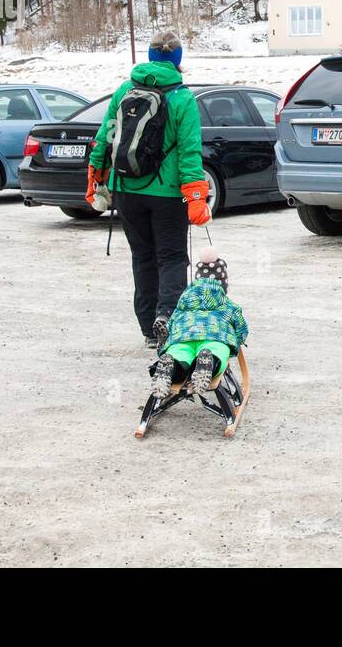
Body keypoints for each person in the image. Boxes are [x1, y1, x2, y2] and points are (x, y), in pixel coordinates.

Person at [87, 31, 210, 347]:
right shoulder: (183, 99)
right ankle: (167, 316)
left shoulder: (124, 90)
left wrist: (96, 178)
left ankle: (147, 327)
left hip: (126, 190)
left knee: (142, 257)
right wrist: (196, 196)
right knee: (172, 257)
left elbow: (105, 137)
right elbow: (189, 152)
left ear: (150, 56)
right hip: (167, 194)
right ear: (177, 60)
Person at [150, 248, 248, 398]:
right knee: (218, 351)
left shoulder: (182, 304)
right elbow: (241, 327)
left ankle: (171, 365)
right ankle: (209, 361)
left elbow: (171, 323)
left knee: (179, 354)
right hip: (214, 336)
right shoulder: (227, 304)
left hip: (182, 337)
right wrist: (238, 340)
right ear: (223, 285)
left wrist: (164, 339)